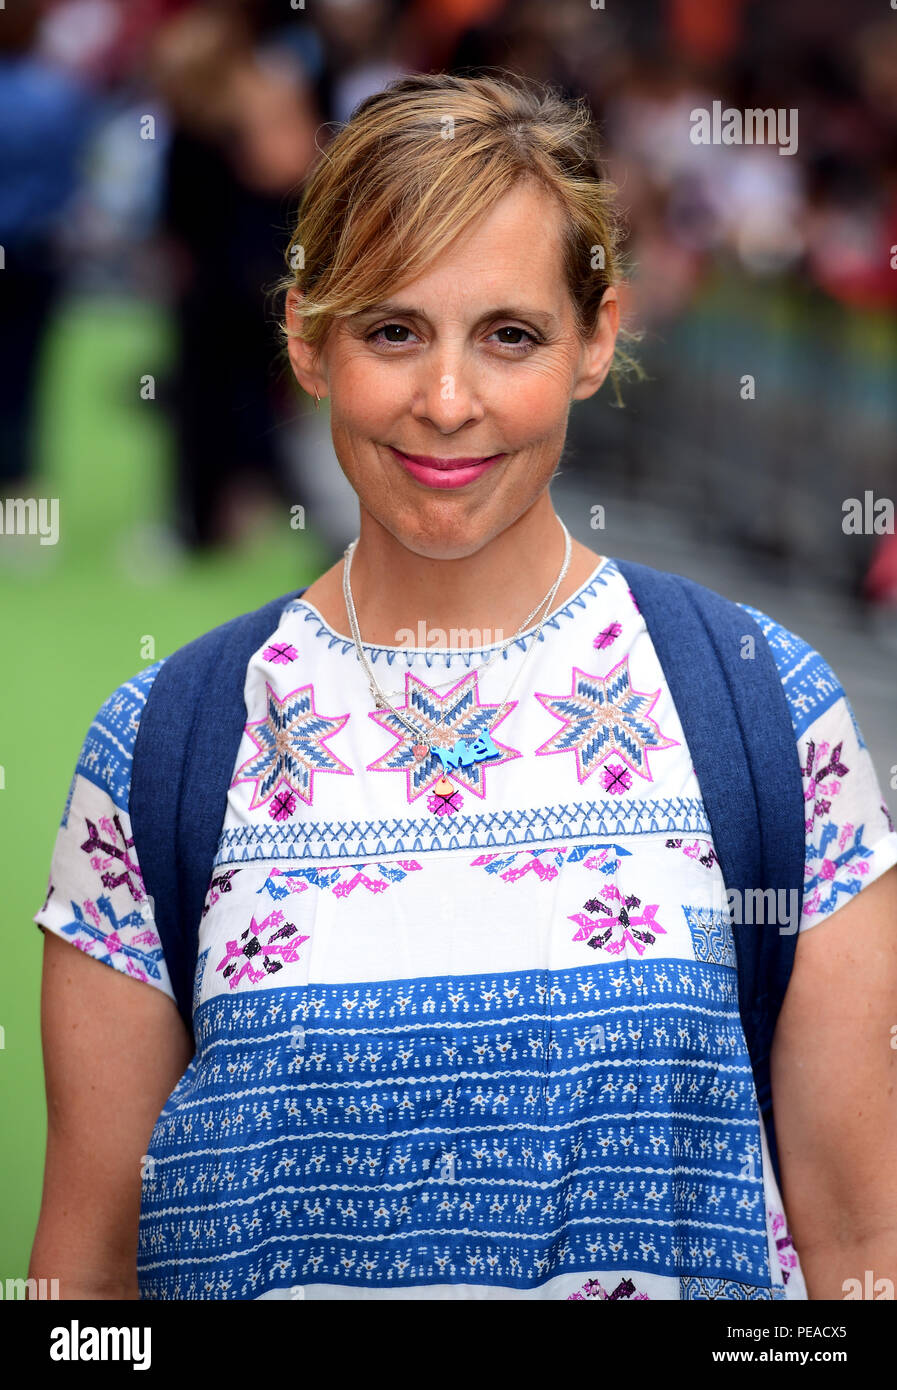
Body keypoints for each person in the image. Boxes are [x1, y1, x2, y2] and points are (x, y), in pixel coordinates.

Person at [28, 70, 897, 1301]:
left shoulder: (771, 713)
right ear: (307, 339)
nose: (447, 403)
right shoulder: (160, 747)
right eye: (393, 331)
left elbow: (862, 1247)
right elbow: (84, 1284)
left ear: (598, 338)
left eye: (510, 335)